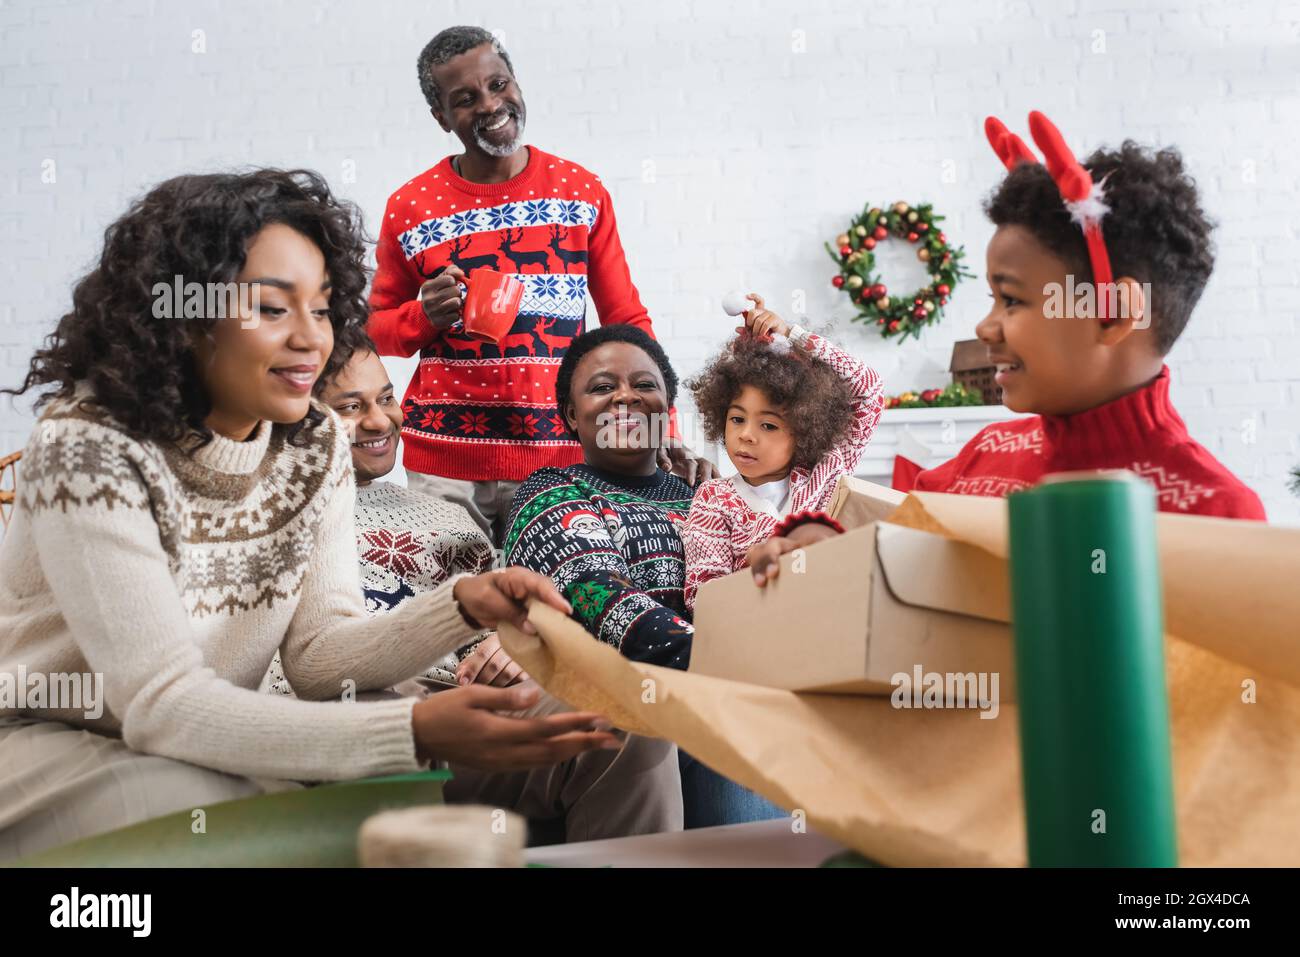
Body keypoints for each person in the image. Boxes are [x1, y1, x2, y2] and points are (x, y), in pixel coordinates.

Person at [0, 169, 671, 861]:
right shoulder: (87, 446)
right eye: (271, 308)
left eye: (320, 309)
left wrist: (460, 605)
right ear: (183, 316)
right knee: (244, 812)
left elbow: (319, 655)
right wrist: (412, 730)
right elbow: (159, 703)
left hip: (224, 733)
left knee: (614, 727)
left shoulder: (312, 440)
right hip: (51, 741)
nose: (310, 339)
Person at [367, 25, 712, 544]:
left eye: (499, 84)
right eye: (465, 99)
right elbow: (373, 330)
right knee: (455, 613)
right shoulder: (410, 206)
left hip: (564, 453)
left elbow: (626, 322)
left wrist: (664, 430)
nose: (490, 104)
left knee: (558, 606)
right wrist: (424, 316)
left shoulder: (580, 191)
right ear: (441, 117)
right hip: (447, 459)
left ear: (517, 85)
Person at [504, 324, 776, 827]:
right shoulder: (549, 492)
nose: (625, 396)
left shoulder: (710, 497)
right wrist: (738, 670)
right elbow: (598, 599)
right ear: (571, 415)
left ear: (666, 405)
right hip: (662, 706)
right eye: (603, 387)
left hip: (737, 690)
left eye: (645, 385)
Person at [681, 294, 882, 610]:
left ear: (804, 430)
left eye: (769, 426)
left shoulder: (827, 472)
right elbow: (701, 598)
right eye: (737, 419)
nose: (746, 435)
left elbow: (870, 391)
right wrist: (754, 567)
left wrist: (793, 334)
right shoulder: (714, 499)